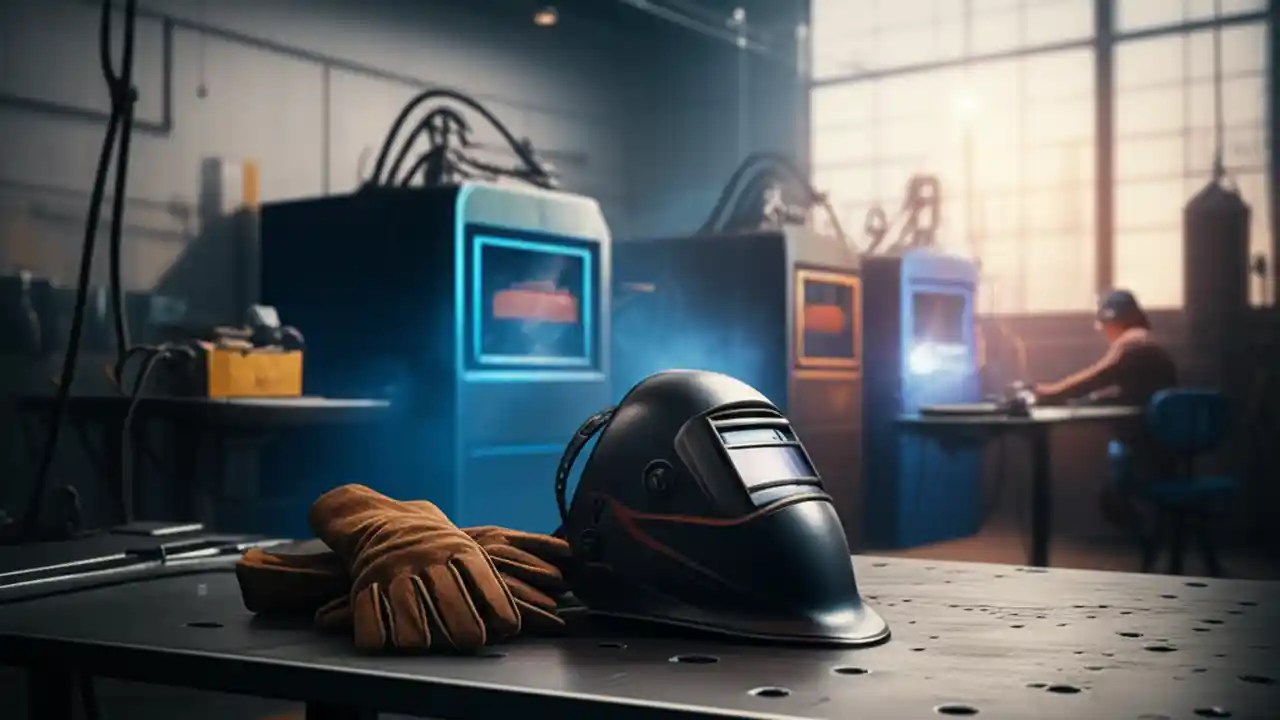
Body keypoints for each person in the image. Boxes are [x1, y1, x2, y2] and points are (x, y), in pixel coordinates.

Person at [1033, 290, 1177, 533]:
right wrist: (1091, 400)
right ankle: (1151, 537)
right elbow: (1130, 389)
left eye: (1105, 324)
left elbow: (1096, 378)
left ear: (1114, 320)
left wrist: (1050, 393)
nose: (1104, 332)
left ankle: (1147, 538)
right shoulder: (1148, 341)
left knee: (1110, 496)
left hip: (1145, 447)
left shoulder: (1133, 343)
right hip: (1166, 443)